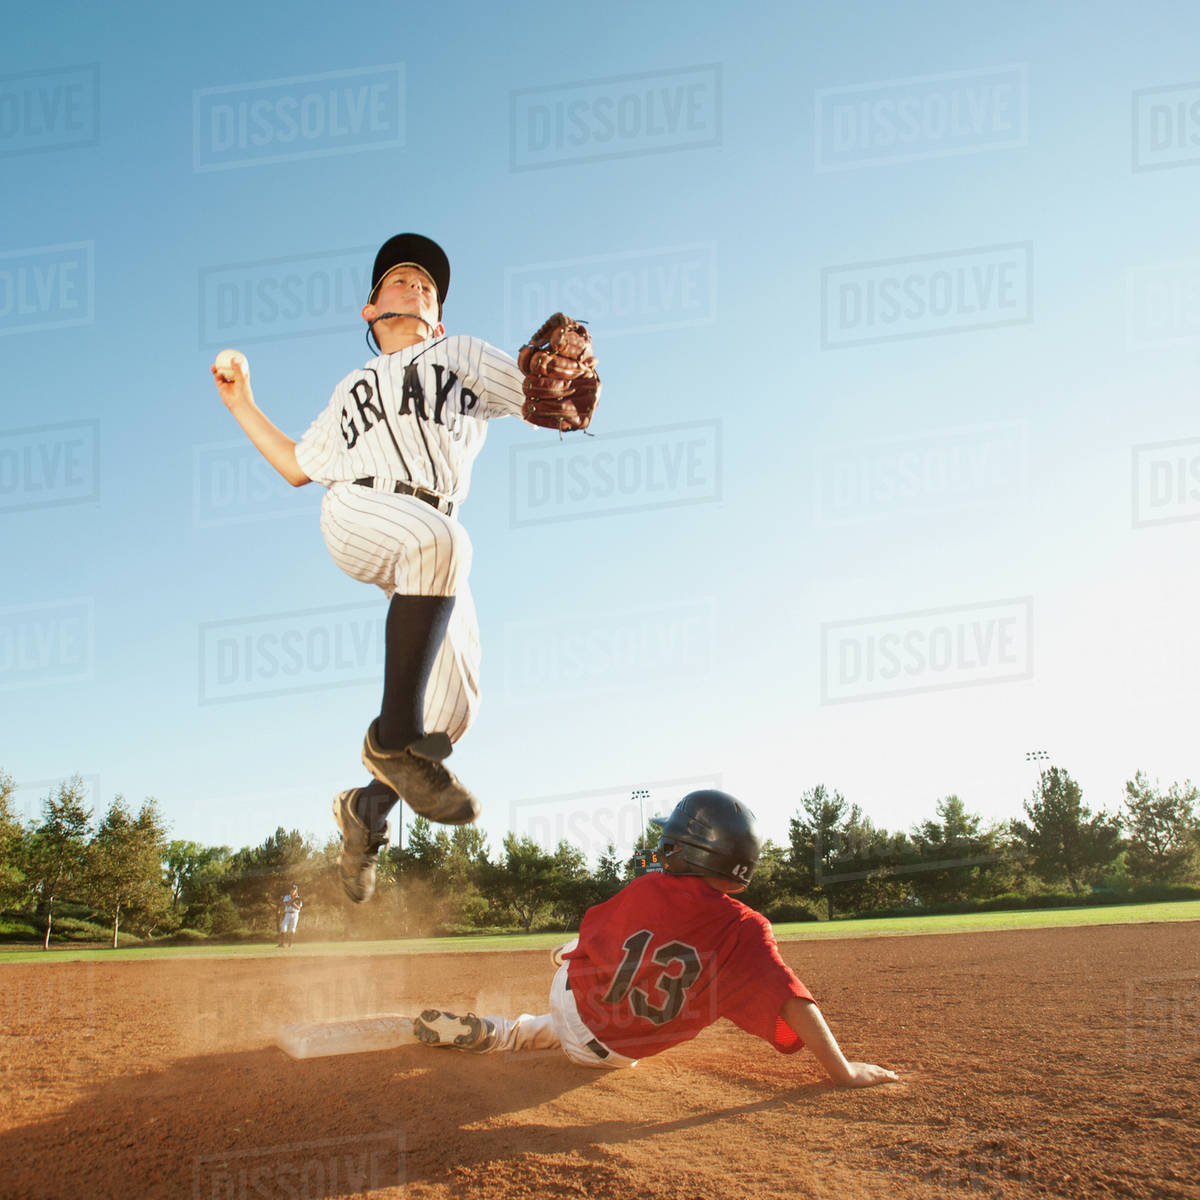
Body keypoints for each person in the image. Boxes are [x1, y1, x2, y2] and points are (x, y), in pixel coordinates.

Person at [210, 233, 598, 904]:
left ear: (438, 317)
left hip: (432, 541)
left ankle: (365, 811)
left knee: (452, 715)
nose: (416, 285)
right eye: (400, 279)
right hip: (360, 510)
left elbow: (540, 392)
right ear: (370, 309)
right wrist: (241, 401)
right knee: (444, 542)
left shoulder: (461, 353)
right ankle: (388, 747)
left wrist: (557, 387)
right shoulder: (348, 389)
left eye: (427, 285)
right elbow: (298, 466)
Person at [411, 790, 898, 1087]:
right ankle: (521, 1025)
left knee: (580, 965)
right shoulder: (747, 930)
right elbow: (793, 1002)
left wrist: (574, 953)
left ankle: (504, 1031)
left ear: (684, 849)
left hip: (572, 1002)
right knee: (608, 1026)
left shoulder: (650, 886)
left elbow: (600, 931)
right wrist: (844, 1071)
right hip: (613, 1058)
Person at [278, 884, 303, 948]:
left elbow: (298, 908)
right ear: (290, 890)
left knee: (292, 929)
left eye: (294, 889)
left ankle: (290, 944)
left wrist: (292, 902)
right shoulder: (287, 897)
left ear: (296, 890)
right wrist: (293, 900)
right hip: (288, 913)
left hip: (295, 914)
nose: (293, 891)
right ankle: (281, 944)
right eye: (292, 889)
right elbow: (287, 904)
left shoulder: (299, 898)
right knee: (283, 928)